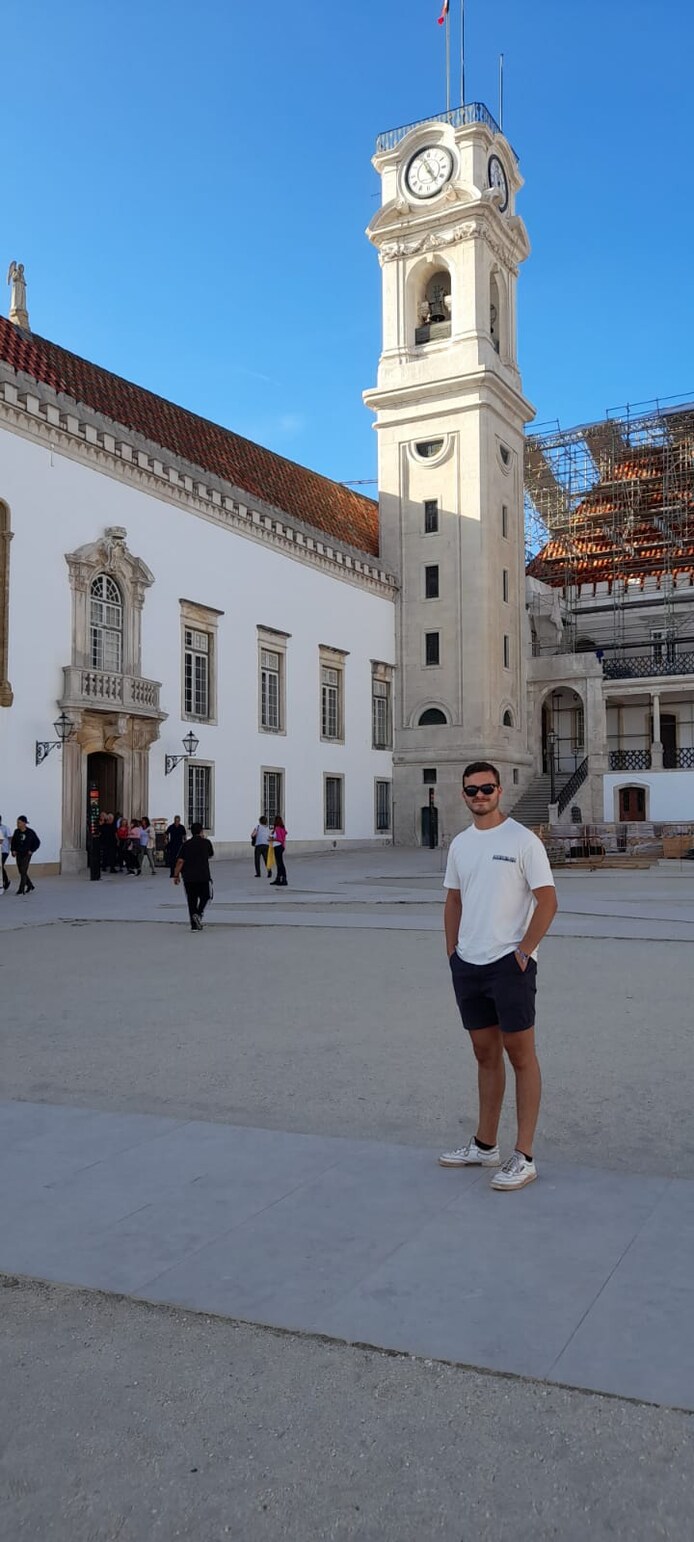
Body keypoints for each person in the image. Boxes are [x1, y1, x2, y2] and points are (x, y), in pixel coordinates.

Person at [439, 761, 558, 1192]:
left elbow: (547, 901)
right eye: (472, 790)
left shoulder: (523, 841)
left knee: (520, 1055)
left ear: (500, 790)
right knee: (484, 1054)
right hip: (468, 964)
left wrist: (524, 951)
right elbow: (453, 901)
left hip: (510, 964)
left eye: (487, 788)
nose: (479, 796)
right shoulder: (461, 845)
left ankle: (523, 1155)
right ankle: (485, 1144)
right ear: (463, 794)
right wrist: (453, 953)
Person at [173, 821, 214, 931]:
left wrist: (176, 875)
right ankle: (199, 913)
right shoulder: (206, 843)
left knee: (192, 900)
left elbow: (180, 861)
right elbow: (210, 855)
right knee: (205, 896)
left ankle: (194, 926)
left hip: (189, 877)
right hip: (203, 875)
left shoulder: (186, 844)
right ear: (201, 831)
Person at [11, 816, 41, 895]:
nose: (18, 824)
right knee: (21, 871)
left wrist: (32, 850)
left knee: (23, 871)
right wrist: (13, 850)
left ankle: (21, 889)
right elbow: (13, 842)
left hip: (26, 854)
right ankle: (30, 885)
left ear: (24, 823)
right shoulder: (16, 832)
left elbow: (37, 842)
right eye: (17, 822)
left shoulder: (30, 832)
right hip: (19, 853)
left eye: (19, 822)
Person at [270, 814, 288, 887]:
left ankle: (283, 879)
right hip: (281, 846)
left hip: (278, 846)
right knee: (279, 863)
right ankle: (279, 878)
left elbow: (279, 839)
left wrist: (272, 839)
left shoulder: (277, 828)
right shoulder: (282, 828)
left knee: (280, 863)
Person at [0, 815, 11, 892]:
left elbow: (10, 838)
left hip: (4, 851)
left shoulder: (5, 828)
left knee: (1, 865)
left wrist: (12, 849)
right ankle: (6, 881)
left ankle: (6, 881)